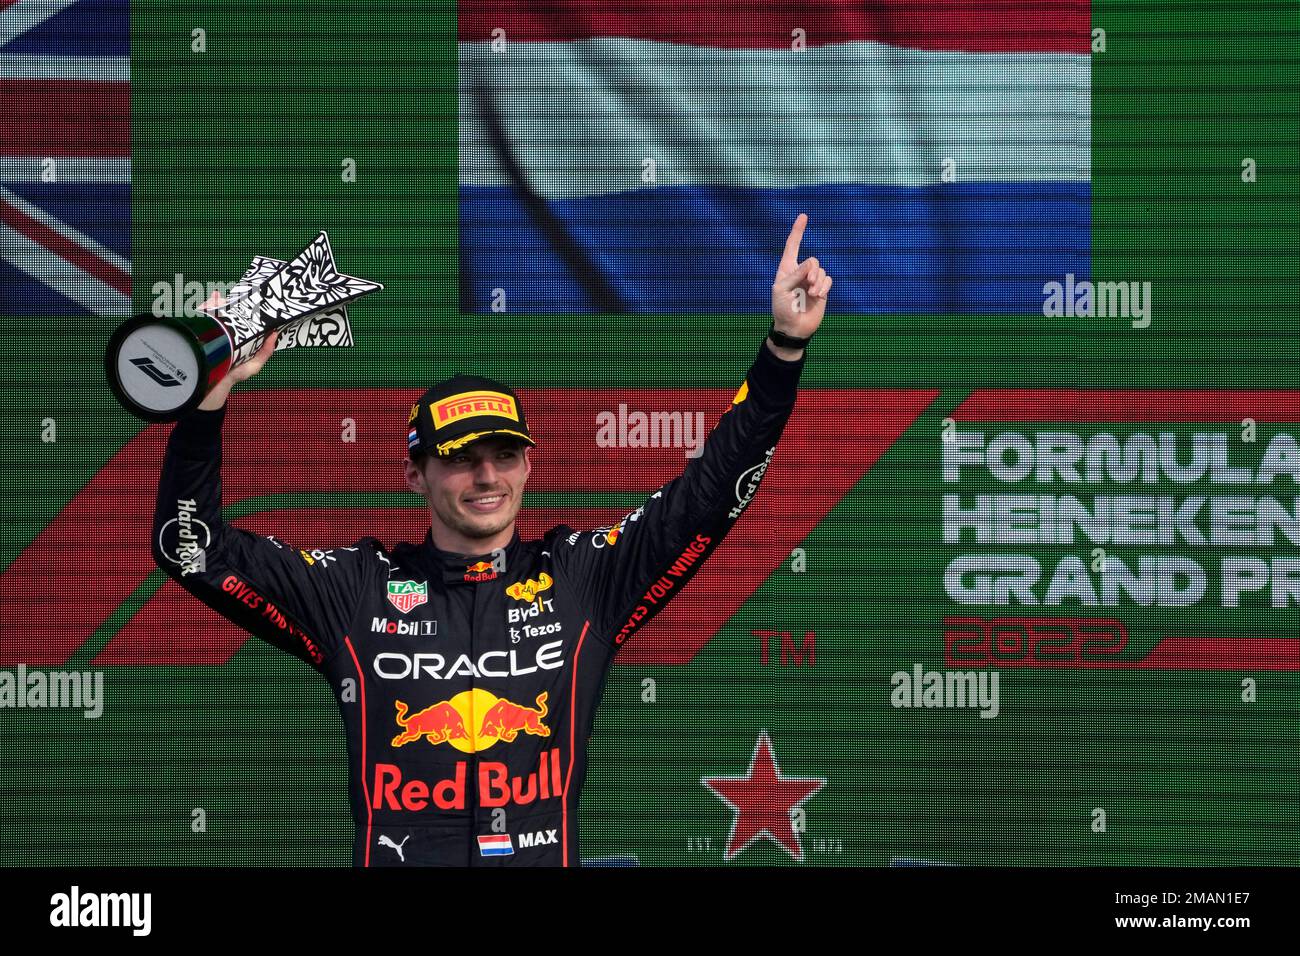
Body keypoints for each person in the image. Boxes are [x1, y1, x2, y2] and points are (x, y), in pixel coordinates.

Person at [151, 214, 831, 866]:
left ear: (529, 465)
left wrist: (783, 350)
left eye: (505, 455)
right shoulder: (356, 589)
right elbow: (191, 550)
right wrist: (208, 396)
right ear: (414, 474)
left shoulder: (580, 579)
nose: (486, 476)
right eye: (460, 458)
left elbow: (708, 500)